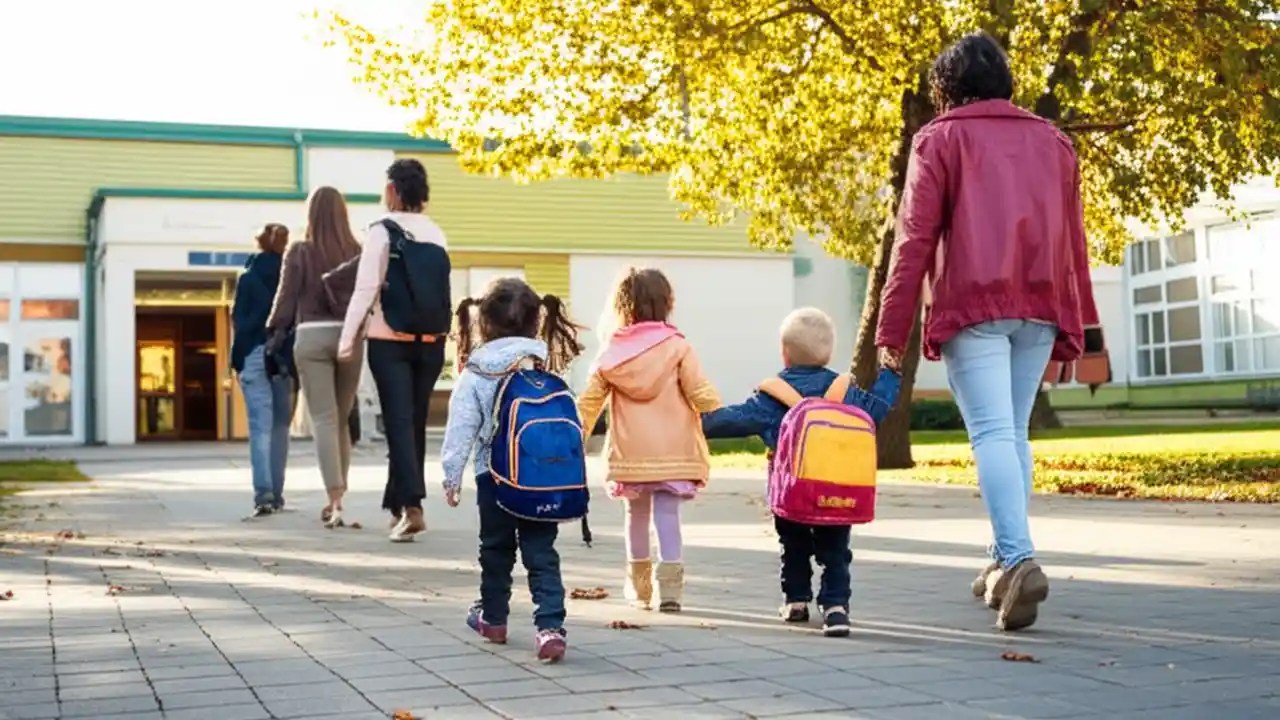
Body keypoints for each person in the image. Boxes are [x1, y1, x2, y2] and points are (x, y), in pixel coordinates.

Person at [875, 32, 1100, 632]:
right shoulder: (1055, 142)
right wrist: (1082, 322)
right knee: (1014, 433)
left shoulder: (941, 138)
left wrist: (890, 331)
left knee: (995, 432)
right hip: (1041, 301)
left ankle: (1019, 558)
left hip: (972, 301)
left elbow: (914, 239)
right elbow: (1073, 240)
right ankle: (1003, 554)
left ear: (945, 89)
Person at [702, 308, 900, 636]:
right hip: (836, 491)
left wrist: (695, 420)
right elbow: (878, 409)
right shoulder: (844, 392)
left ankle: (795, 600)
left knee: (792, 545)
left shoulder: (772, 395)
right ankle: (836, 607)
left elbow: (732, 420)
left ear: (785, 353)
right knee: (836, 550)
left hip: (791, 493)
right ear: (829, 353)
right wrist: (890, 373)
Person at [440, 277, 585, 662]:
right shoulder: (545, 367)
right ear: (537, 323)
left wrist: (451, 475)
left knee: (495, 549)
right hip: (541, 480)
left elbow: (461, 427)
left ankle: (494, 619)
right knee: (542, 552)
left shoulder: (477, 371)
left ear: (483, 323)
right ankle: (550, 627)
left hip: (495, 477)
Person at [577, 267, 721, 613]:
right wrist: (725, 416)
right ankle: (670, 591)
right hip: (674, 450)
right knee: (668, 515)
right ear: (667, 303)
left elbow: (589, 403)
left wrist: (572, 439)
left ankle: (639, 589)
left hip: (631, 454)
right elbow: (701, 393)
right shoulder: (678, 346)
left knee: (635, 516)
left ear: (624, 306)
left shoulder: (612, 352)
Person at [339, 158, 451, 542]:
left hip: (389, 342)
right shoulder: (437, 234)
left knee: (399, 424)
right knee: (412, 423)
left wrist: (348, 336)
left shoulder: (381, 232)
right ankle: (396, 504)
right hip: (431, 343)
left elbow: (366, 289)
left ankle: (413, 507)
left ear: (391, 191)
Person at [267, 187, 363, 528]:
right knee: (342, 415)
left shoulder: (299, 251)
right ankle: (339, 497)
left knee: (324, 418)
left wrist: (274, 332)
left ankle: (334, 499)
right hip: (350, 336)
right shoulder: (356, 249)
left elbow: (286, 298)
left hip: (311, 337)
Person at [232, 223, 296, 517]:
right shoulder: (291, 275)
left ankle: (264, 495)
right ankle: (278, 494)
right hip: (283, 356)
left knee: (260, 427)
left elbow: (239, 320)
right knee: (280, 427)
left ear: (258, 243)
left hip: (254, 353)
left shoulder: (248, 276)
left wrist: (241, 357)